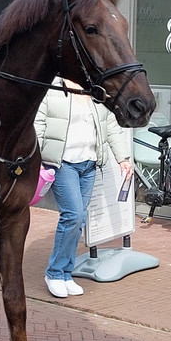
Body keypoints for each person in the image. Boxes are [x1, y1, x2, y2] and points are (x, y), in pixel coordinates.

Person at [33, 78, 133, 299]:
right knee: (73, 215)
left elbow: (110, 127)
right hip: (63, 163)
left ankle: (66, 274)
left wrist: (123, 158)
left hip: (89, 164)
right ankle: (54, 273)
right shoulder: (53, 89)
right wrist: (37, 158)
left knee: (79, 221)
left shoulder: (96, 91)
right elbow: (38, 124)